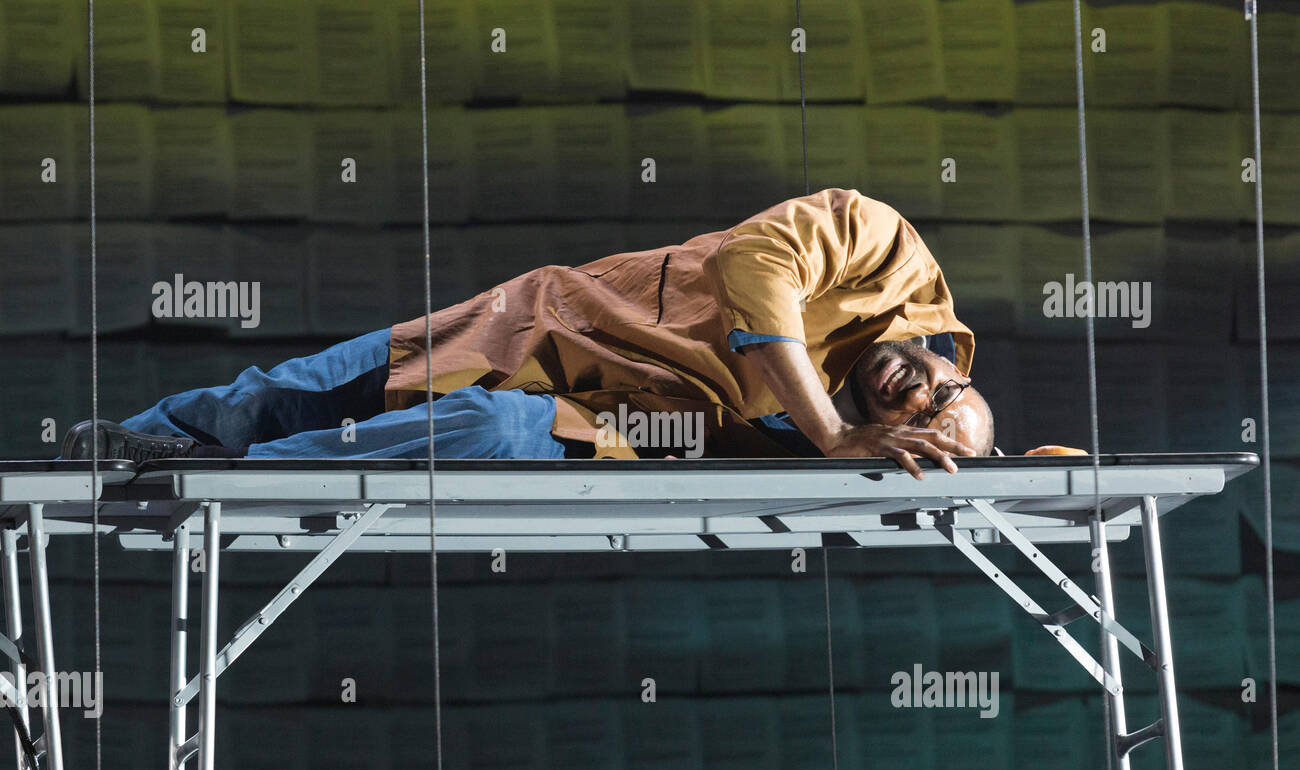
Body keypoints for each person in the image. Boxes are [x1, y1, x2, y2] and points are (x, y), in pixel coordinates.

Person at [61, 188, 993, 480]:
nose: (919, 396)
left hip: (610, 421)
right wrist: (833, 433)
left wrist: (841, 447)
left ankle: (221, 478)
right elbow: (757, 268)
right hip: (549, 321)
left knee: (482, 435)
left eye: (920, 426)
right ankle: (128, 447)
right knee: (298, 394)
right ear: (956, 360)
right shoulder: (886, 249)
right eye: (945, 390)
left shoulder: (828, 439)